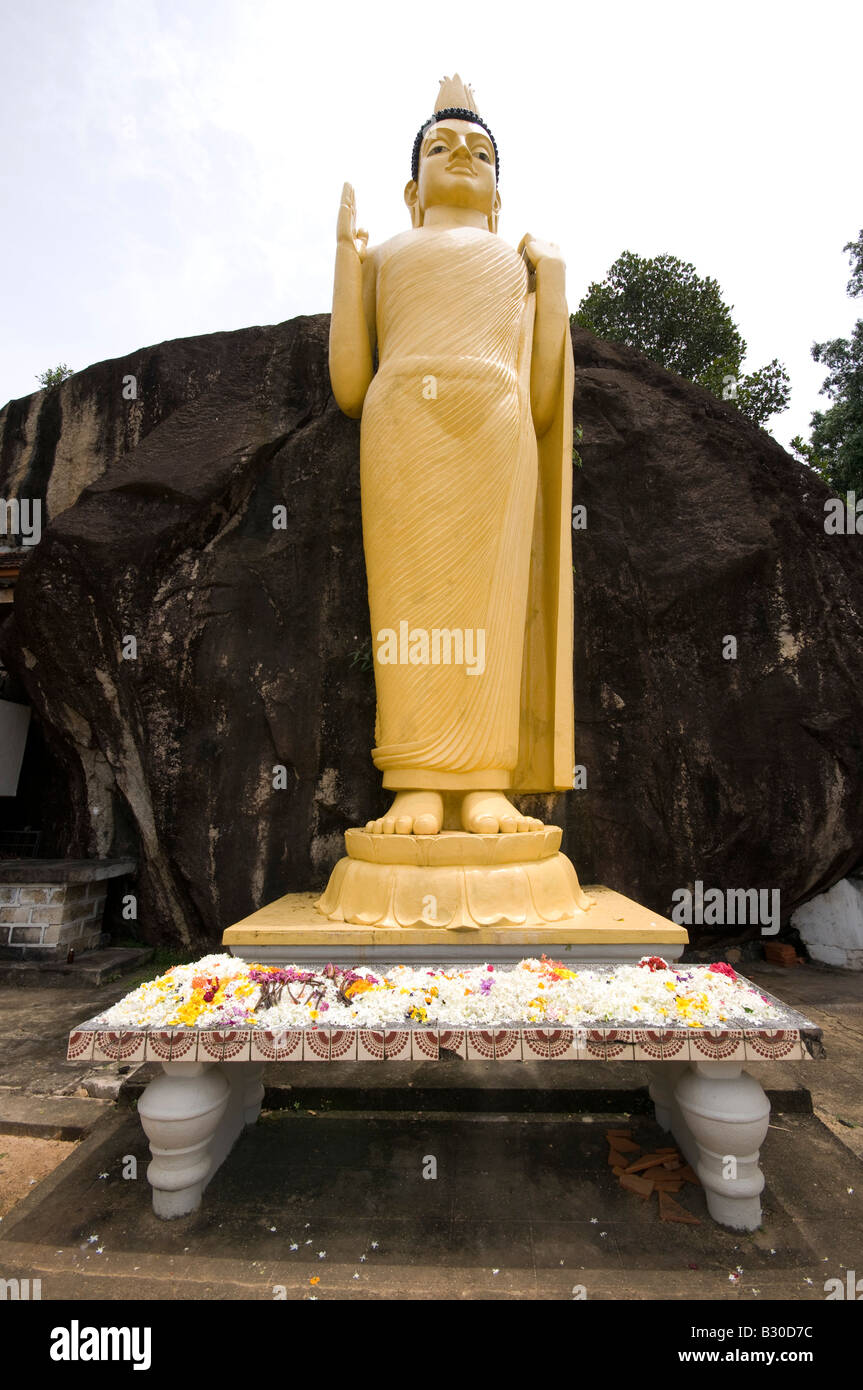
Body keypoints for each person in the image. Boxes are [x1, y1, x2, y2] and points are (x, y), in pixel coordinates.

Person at [329, 75, 575, 838]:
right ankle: (415, 785)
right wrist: (343, 258)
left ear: (499, 194)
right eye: (442, 147)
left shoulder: (512, 267)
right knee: (410, 606)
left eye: (480, 152)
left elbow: (540, 402)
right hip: (402, 424)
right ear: (411, 191)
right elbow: (347, 383)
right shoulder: (390, 255)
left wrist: (555, 278)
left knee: (491, 609)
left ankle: (485, 785)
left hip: (496, 432)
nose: (462, 156)